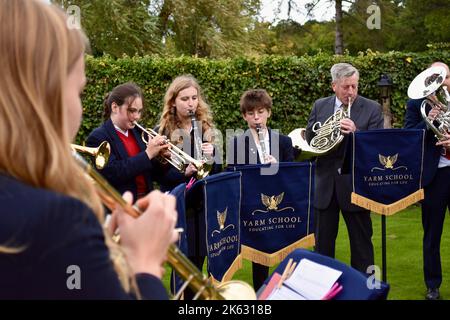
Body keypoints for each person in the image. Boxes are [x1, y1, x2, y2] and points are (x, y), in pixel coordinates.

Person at [0, 0, 177, 299]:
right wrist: (144, 266)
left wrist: (91, 250)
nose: (136, 117)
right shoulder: (59, 218)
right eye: (78, 91)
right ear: (43, 95)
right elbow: (113, 171)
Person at [305, 63, 383, 274]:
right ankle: (321, 290)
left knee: (362, 245)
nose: (351, 92)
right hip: (325, 185)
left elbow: (377, 148)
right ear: (334, 86)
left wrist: (356, 133)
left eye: (354, 87)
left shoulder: (372, 108)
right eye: (346, 87)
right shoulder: (320, 105)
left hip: (355, 186)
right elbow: (310, 139)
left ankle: (365, 292)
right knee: (322, 247)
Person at [226, 89, 294, 291]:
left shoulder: (283, 142)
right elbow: (231, 175)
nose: (256, 118)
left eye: (261, 112)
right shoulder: (236, 143)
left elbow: (292, 178)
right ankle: (260, 295)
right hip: (253, 209)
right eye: (251, 113)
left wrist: (278, 167)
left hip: (280, 207)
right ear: (244, 116)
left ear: (269, 113)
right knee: (259, 257)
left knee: (284, 253)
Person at [404, 62, 450, 300]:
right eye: (435, 77)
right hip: (435, 175)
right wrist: (428, 120)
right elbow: (409, 136)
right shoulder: (416, 103)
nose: (441, 82)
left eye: (445, 77)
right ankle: (433, 285)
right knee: (432, 233)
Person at [86, 82, 169, 201]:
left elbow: (153, 174)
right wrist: (148, 154)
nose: (137, 117)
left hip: (145, 201)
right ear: (114, 107)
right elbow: (114, 173)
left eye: (139, 111)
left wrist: (162, 159)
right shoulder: (98, 137)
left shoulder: (139, 132)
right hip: (120, 205)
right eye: (132, 110)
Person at [155, 74, 221, 192]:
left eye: (194, 98)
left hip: (201, 196)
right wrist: (184, 173)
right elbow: (157, 176)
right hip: (176, 197)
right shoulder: (162, 132)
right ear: (173, 102)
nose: (191, 104)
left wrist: (213, 154)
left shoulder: (204, 127)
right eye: (185, 99)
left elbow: (216, 171)